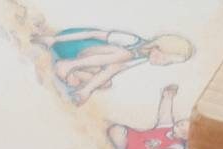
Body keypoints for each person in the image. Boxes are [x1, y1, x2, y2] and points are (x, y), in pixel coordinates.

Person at [44, 26, 193, 103]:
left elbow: (111, 69)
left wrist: (95, 79)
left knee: (107, 82)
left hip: (90, 59)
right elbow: (91, 33)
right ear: (159, 46)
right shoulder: (132, 41)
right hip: (73, 45)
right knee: (124, 55)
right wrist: (55, 39)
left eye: (168, 63)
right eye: (165, 57)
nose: (162, 63)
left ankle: (81, 88)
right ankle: (69, 66)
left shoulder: (141, 59)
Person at [106, 84, 191, 149]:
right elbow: (165, 112)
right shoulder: (168, 126)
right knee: (115, 130)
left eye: (182, 126)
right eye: (182, 122)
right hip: (135, 141)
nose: (180, 124)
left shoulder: (177, 146)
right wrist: (168, 97)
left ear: (185, 137)